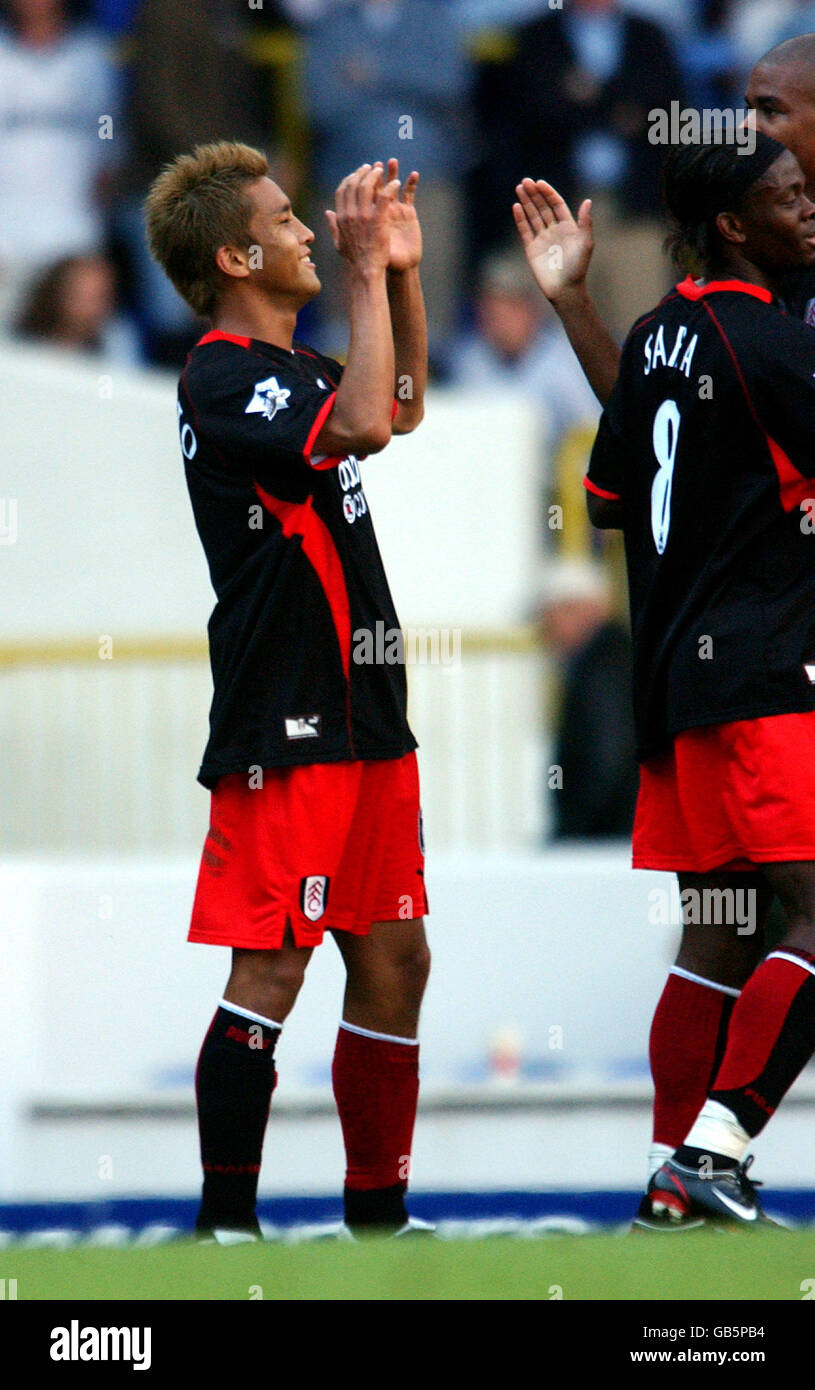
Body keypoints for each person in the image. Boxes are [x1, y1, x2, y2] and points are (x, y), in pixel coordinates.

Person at [513, 31, 815, 1219]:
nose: (798, 195)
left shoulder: (656, 334)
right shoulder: (775, 344)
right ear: (738, 223)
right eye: (781, 187)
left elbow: (607, 493)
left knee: (717, 937)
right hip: (763, 675)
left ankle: (671, 1180)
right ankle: (717, 1147)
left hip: (675, 688)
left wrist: (576, 306)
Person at [145, 142, 431, 1241]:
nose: (308, 227)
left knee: (393, 955)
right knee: (273, 961)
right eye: (283, 217)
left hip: (366, 715)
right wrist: (363, 273)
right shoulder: (220, 372)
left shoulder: (302, 367)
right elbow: (361, 425)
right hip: (288, 714)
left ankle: (379, 1222)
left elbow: (395, 405)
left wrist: (397, 273)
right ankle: (225, 1228)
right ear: (234, 253)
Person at [535, 558, 637, 841]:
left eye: (549, 616)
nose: (545, 631)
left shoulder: (603, 669)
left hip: (605, 838)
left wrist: (575, 831)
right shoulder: (610, 661)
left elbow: (608, 759)